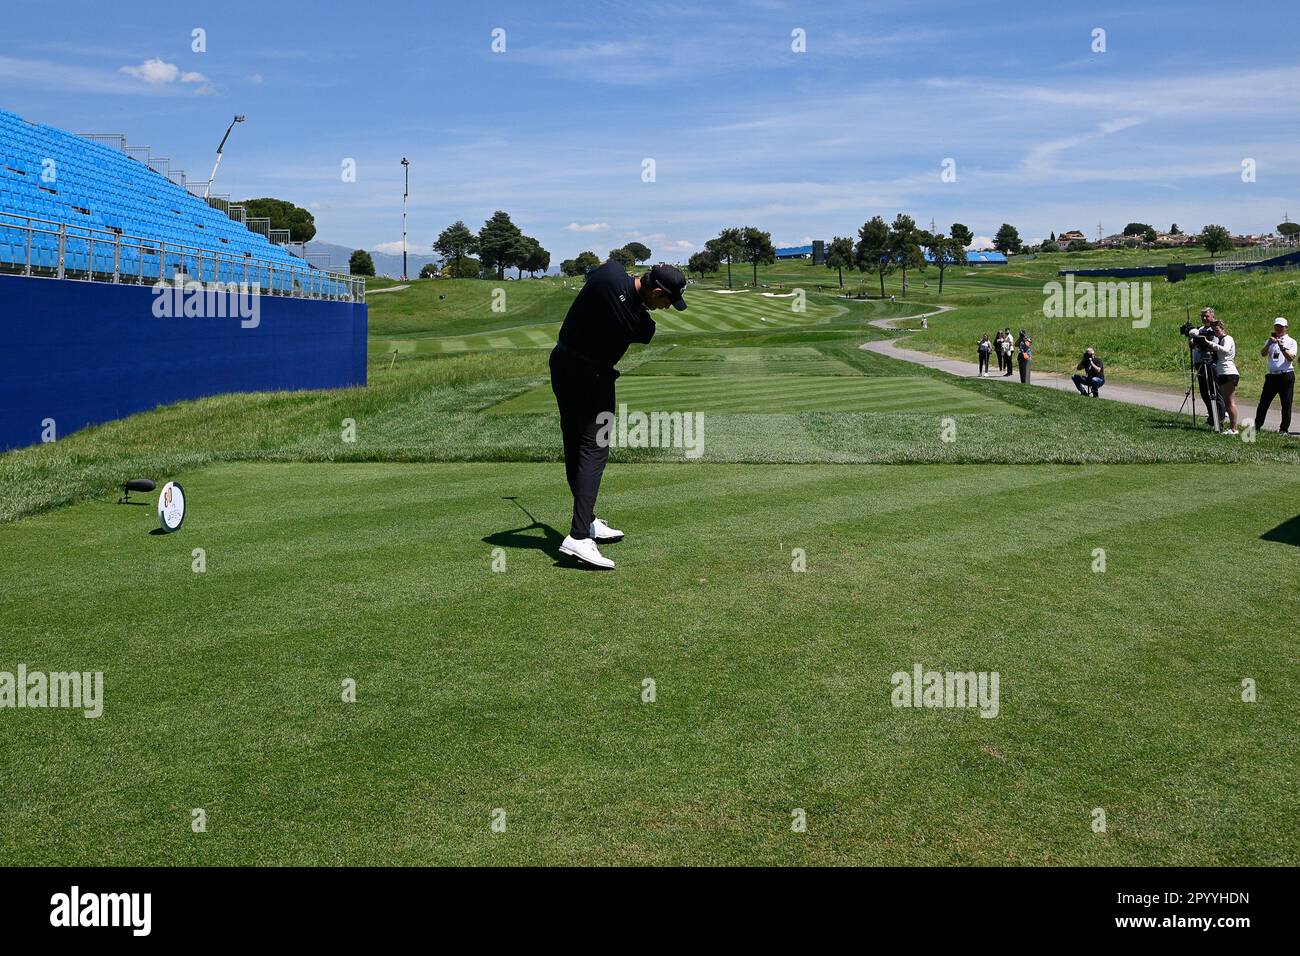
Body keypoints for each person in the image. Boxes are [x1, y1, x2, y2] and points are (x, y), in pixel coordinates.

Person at [550, 261, 687, 569]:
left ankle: (587, 522)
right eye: (667, 301)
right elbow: (647, 330)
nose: (666, 308)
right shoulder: (639, 323)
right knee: (595, 450)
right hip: (593, 380)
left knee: (574, 443)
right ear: (655, 292)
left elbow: (593, 273)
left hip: (561, 364)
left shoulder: (610, 274)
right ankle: (578, 538)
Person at [1256, 316, 1296, 435]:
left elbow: (1290, 358)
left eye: (1281, 327)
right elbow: (1263, 353)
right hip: (1272, 375)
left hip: (1286, 374)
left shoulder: (1291, 341)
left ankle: (1283, 429)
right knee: (1264, 402)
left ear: (1286, 328)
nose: (1278, 329)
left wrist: (1281, 346)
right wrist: (1269, 343)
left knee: (1286, 403)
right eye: (1277, 326)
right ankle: (1257, 425)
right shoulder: (1270, 340)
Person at [1201, 316, 1240, 434]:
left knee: (1230, 401)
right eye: (1214, 331)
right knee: (1226, 401)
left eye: (1217, 330)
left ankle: (1234, 428)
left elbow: (1225, 350)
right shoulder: (1219, 339)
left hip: (1228, 371)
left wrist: (1209, 343)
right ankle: (1231, 427)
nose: (1216, 333)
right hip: (1222, 371)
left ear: (1222, 328)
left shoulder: (1228, 338)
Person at [1190, 307, 1220, 427]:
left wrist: (1205, 340)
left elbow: (1215, 346)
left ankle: (1219, 416)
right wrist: (1192, 341)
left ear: (1212, 316)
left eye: (1207, 316)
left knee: (1213, 390)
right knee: (1203, 391)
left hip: (1210, 362)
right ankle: (1211, 414)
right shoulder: (1200, 329)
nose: (1204, 318)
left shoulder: (1215, 328)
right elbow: (1193, 346)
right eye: (1202, 316)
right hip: (1199, 362)